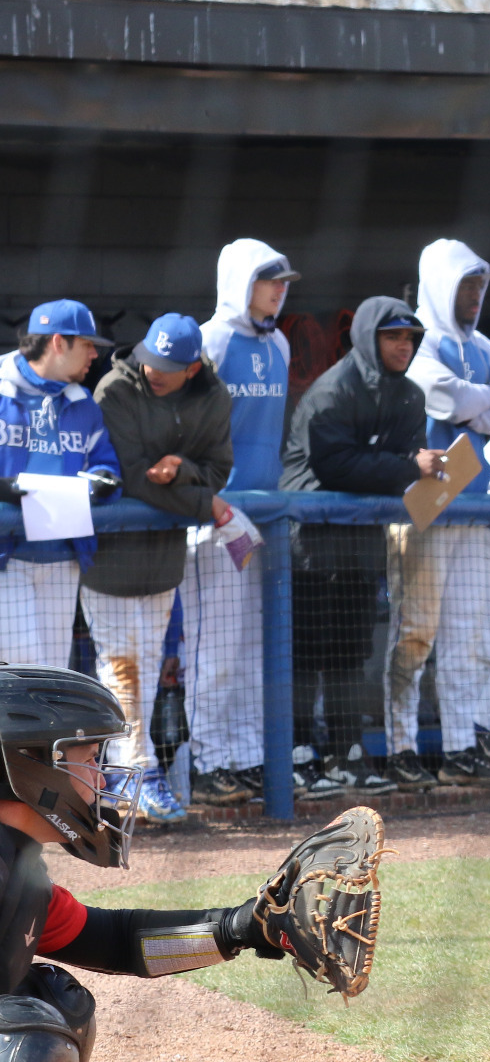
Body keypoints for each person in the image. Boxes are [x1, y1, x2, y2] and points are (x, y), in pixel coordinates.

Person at [0, 664, 384, 1062]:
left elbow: (112, 941)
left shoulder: (19, 874)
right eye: (89, 760)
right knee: (30, 1043)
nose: (101, 779)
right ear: (26, 767)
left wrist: (246, 927)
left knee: (61, 1009)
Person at [281, 298, 445, 798]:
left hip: (360, 541)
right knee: (307, 653)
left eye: (410, 338)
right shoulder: (333, 389)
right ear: (369, 338)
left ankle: (347, 753)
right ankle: (298, 754)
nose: (404, 346)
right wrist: (407, 468)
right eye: (393, 336)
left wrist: (418, 469)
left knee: (351, 652)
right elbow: (336, 467)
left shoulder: (410, 397)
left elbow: (402, 463)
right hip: (309, 539)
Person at [390, 240, 490, 790]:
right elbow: (446, 404)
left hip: (469, 494)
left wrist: (480, 398)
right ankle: (400, 746)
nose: (475, 294)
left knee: (470, 633)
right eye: (467, 284)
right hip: (422, 503)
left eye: (481, 284)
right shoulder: (415, 339)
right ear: (442, 285)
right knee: (415, 633)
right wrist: (484, 398)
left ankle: (459, 746)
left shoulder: (487, 346)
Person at [85, 314, 234, 823]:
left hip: (163, 554)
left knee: (145, 664)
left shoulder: (212, 397)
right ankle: (137, 774)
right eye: (151, 358)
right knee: (118, 665)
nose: (154, 371)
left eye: (168, 366)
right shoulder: (115, 389)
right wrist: (204, 504)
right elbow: (127, 477)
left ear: (193, 367)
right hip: (109, 552)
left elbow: (218, 468)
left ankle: (122, 779)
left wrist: (181, 467)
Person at [187, 241, 295, 808]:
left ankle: (247, 757)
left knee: (258, 647)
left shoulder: (279, 341)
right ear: (240, 281)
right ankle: (208, 762)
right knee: (216, 646)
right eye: (268, 280)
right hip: (218, 514)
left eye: (282, 282)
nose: (278, 290)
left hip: (267, 514)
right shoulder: (210, 340)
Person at [0, 300, 122, 667]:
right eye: (87, 344)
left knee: (52, 673)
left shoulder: (83, 404)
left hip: (62, 557)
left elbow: (106, 465)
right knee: (19, 665)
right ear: (58, 342)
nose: (94, 353)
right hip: (7, 557)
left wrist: (105, 480)